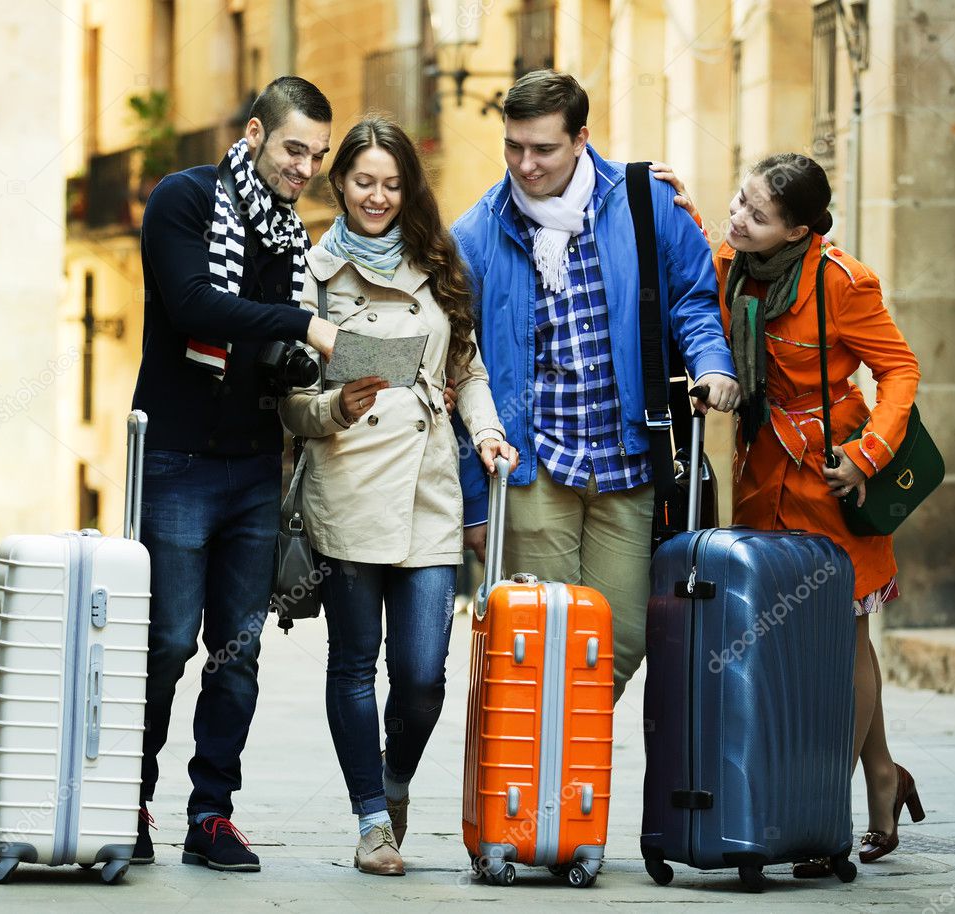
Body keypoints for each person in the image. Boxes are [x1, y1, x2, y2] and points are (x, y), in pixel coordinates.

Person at [653, 154, 924, 870]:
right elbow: (698, 288)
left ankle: (821, 806)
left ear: (798, 229)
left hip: (835, 479)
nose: (740, 219)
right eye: (739, 201)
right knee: (818, 640)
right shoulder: (731, 261)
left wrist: (868, 451)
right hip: (761, 474)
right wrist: (684, 211)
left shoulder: (842, 281)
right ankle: (884, 775)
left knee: (844, 631)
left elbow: (900, 368)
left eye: (758, 215)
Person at [451, 70, 739, 702]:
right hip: (533, 468)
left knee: (622, 639)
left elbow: (693, 298)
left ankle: (561, 753)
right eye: (513, 147)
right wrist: (477, 500)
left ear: (581, 138)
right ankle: (551, 788)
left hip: (627, 460)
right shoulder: (476, 235)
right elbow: (457, 367)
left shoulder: (644, 200)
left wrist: (712, 363)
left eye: (543, 149)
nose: (525, 166)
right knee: (546, 639)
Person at [280, 116, 518, 877]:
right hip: (348, 487)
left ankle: (396, 778)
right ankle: (372, 821)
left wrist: (486, 432)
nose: (377, 196)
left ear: (407, 185)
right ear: (339, 184)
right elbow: (289, 404)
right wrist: (333, 408)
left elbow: (469, 369)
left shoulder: (439, 262)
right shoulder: (312, 274)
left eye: (391, 182)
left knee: (421, 673)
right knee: (355, 663)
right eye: (362, 181)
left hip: (428, 490)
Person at [131, 76, 340, 873]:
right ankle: (131, 796)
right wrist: (302, 324)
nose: (305, 168)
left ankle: (211, 814)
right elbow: (192, 305)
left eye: (317, 156)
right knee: (164, 645)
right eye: (295, 148)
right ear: (255, 133)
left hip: (255, 466)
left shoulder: (290, 238)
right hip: (178, 461)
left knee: (239, 654)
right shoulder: (184, 200)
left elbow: (262, 345)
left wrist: (298, 360)